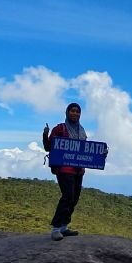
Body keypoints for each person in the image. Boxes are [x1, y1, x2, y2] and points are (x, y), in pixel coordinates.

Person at [42, 102, 88, 240]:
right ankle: (55, 228)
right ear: (67, 113)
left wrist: (101, 153)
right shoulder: (60, 129)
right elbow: (48, 147)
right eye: (72, 111)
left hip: (78, 170)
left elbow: (86, 150)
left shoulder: (82, 131)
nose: (75, 113)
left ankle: (64, 227)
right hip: (64, 168)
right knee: (67, 196)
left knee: (74, 198)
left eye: (77, 111)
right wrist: (45, 135)